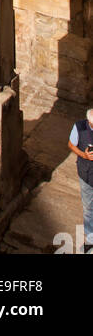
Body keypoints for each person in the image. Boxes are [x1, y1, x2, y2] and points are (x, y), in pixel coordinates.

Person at [68, 107, 93, 253]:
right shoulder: (79, 127)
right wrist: (84, 155)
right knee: (89, 208)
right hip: (87, 175)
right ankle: (90, 239)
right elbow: (71, 145)